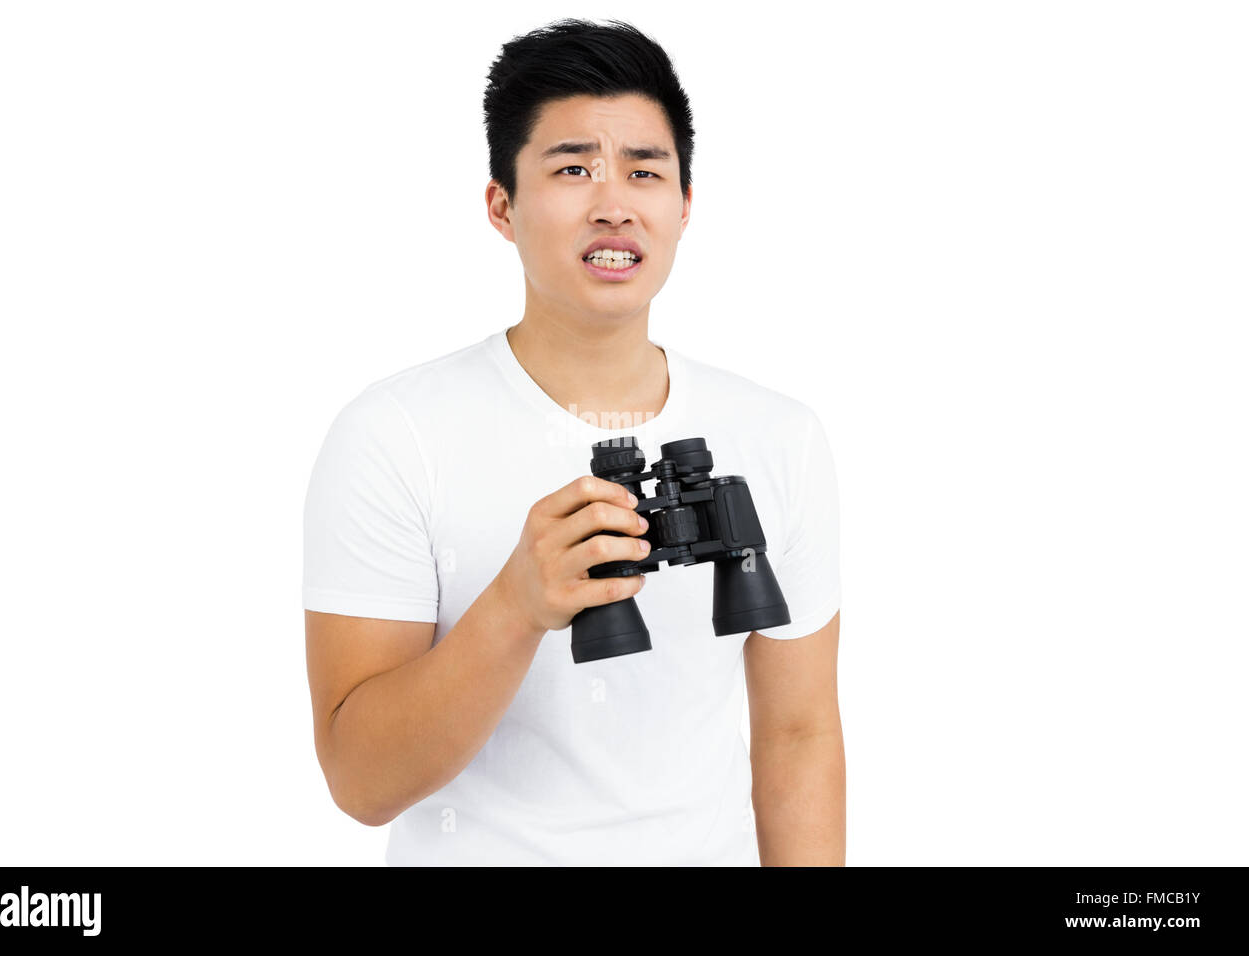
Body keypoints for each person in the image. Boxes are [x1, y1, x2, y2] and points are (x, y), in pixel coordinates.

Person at [302, 18, 843, 866]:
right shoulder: (393, 436)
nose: (613, 201)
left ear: (685, 205)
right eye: (573, 168)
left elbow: (800, 737)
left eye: (644, 169)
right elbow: (361, 784)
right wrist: (518, 604)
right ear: (501, 206)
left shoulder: (781, 436)